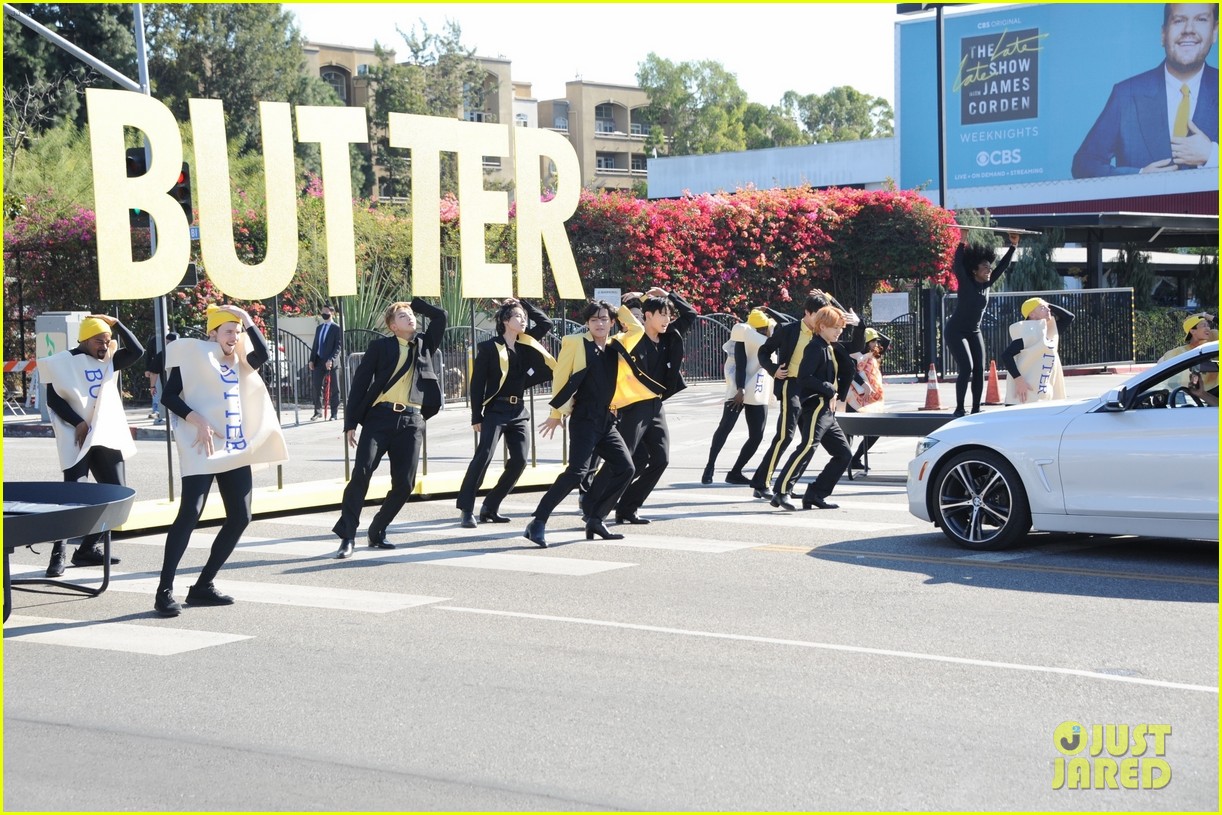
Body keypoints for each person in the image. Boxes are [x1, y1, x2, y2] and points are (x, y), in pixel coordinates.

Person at [156, 304, 288, 616]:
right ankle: (163, 591)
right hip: (202, 444)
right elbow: (168, 395)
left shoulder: (241, 359)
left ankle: (203, 585)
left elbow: (265, 354)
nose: (235, 336)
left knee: (241, 517)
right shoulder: (192, 354)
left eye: (238, 331)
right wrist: (198, 420)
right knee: (190, 514)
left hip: (234, 447)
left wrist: (246, 318)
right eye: (229, 330)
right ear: (212, 332)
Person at [332, 298, 446, 559]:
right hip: (380, 418)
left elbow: (440, 316)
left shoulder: (424, 345)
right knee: (361, 472)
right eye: (403, 317)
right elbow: (360, 383)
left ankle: (378, 529)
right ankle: (348, 536)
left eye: (411, 316)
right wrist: (350, 423)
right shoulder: (380, 347)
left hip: (412, 421)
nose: (410, 319)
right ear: (392, 326)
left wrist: (414, 304)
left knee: (405, 484)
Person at [524, 300, 639, 548]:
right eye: (594, 319)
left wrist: (619, 309)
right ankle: (538, 522)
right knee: (576, 473)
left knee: (626, 467)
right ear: (587, 323)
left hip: (607, 419)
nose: (599, 323)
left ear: (612, 321)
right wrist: (556, 413)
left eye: (605, 319)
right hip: (584, 418)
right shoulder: (575, 343)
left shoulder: (615, 344)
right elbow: (561, 377)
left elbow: (638, 330)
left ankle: (596, 518)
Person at [37, 314, 143, 577]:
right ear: (84, 339)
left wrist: (116, 323)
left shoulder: (109, 360)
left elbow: (138, 351)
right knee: (73, 497)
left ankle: (87, 549)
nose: (105, 346)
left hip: (104, 434)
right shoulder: (61, 361)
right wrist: (78, 423)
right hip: (78, 436)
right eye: (99, 340)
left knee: (117, 495)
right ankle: (57, 554)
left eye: (108, 341)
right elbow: (54, 400)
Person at [585, 287, 697, 525]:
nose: (667, 320)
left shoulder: (670, 336)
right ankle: (592, 504)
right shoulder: (633, 338)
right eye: (662, 315)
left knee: (660, 459)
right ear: (647, 316)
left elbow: (691, 315)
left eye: (669, 315)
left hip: (655, 405)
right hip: (633, 406)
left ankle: (627, 508)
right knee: (624, 459)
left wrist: (668, 294)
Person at [1072, 4, 1219, 178]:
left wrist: (1212, 155)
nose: (1189, 29)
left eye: (1201, 20)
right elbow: (1083, 164)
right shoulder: (1126, 94)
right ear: (1163, 34)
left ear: (1215, 31)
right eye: (1179, 21)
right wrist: (1139, 177)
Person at [750, 291, 859, 500]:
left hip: (813, 391)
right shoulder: (789, 330)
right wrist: (774, 369)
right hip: (791, 386)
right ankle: (762, 482)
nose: (820, 319)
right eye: (817, 314)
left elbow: (847, 334)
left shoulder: (825, 336)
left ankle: (789, 486)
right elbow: (764, 351)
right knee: (786, 436)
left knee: (810, 441)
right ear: (807, 313)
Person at [456, 298, 555, 528]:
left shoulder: (526, 344)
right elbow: (477, 383)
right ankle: (466, 509)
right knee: (484, 456)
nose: (523, 320)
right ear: (505, 321)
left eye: (523, 317)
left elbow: (546, 323)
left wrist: (522, 303)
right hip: (495, 409)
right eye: (517, 316)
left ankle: (490, 506)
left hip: (518, 410)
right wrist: (476, 415)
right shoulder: (490, 347)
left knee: (520, 460)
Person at [770, 306, 854, 511]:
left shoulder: (828, 345)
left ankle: (815, 494)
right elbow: (804, 377)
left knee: (843, 454)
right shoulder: (815, 347)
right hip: (816, 406)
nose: (839, 331)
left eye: (841, 328)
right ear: (822, 326)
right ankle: (782, 491)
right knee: (808, 446)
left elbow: (854, 350)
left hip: (827, 409)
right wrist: (828, 389)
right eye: (836, 328)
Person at [944, 233, 1020, 417]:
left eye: (989, 267)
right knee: (966, 367)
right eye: (985, 267)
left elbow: (1002, 267)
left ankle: (976, 408)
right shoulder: (966, 281)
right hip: (956, 331)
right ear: (974, 271)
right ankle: (960, 408)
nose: (989, 270)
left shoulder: (987, 285)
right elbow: (958, 264)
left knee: (979, 368)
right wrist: (962, 241)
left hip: (973, 330)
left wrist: (1013, 246)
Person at [701, 308, 777, 485]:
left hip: (754, 388)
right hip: (740, 388)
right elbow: (741, 365)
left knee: (753, 434)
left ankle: (733, 472)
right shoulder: (745, 336)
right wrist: (740, 390)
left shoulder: (760, 334)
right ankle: (710, 467)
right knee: (727, 428)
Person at [1000, 297, 1076, 405]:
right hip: (1024, 394)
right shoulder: (1028, 332)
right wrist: (1018, 380)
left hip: (1042, 394)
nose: (1048, 310)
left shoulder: (1049, 330)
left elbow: (1069, 317)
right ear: (1032, 315)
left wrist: (1045, 304)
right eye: (1042, 308)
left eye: (1047, 308)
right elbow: (1006, 355)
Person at [845, 327, 891, 475]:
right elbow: (851, 374)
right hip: (854, 398)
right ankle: (846, 460)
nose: (875, 344)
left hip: (871, 400)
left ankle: (856, 458)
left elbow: (887, 340)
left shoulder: (874, 355)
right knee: (849, 432)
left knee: (874, 431)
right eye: (872, 341)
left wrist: (865, 326)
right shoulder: (854, 355)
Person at [1158, 311, 1219, 391]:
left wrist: (1205, 315)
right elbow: (1168, 380)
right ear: (1192, 331)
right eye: (1203, 326)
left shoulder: (1213, 345)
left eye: (1208, 325)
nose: (1208, 328)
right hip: (1199, 396)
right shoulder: (1179, 352)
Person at [309, 303, 343, 421]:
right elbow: (315, 345)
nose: (324, 313)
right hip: (319, 360)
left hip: (331, 361)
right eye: (322, 311)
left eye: (326, 311)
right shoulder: (319, 328)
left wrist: (331, 360)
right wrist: (311, 360)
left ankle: (334, 413)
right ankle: (317, 411)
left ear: (332, 313)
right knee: (316, 386)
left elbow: (338, 347)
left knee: (335, 388)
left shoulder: (337, 328)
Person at [144, 331, 178, 425]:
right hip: (183, 388)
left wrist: (152, 387)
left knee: (172, 405)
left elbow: (154, 373)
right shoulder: (186, 353)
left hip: (169, 388)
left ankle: (174, 422)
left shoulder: (162, 354)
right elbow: (154, 372)